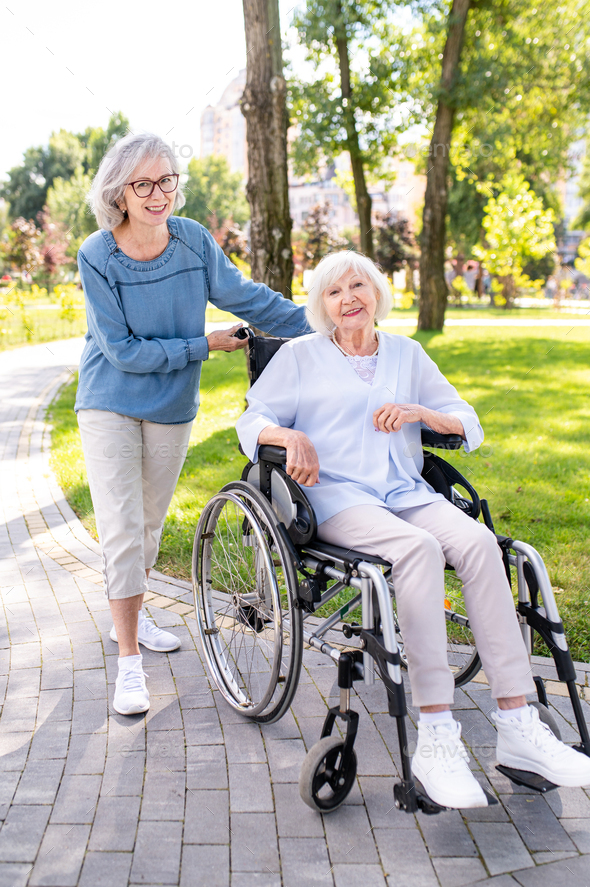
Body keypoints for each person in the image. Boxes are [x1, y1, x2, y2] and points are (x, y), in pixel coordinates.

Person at [236, 250, 590, 808]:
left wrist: (420, 413)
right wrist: (289, 437)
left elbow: (467, 422)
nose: (349, 297)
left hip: (404, 490)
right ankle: (436, 733)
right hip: (335, 495)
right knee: (419, 551)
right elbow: (250, 421)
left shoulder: (407, 353)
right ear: (322, 305)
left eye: (358, 285)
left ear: (377, 292)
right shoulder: (300, 356)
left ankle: (519, 723)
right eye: (334, 291)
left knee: (479, 545)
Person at [76, 132, 311, 716]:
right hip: (109, 400)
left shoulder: (193, 243)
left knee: (149, 526)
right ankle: (129, 662)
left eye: (167, 180)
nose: (158, 194)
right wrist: (200, 346)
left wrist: (327, 321)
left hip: (171, 406)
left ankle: (133, 610)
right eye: (143, 183)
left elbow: (247, 298)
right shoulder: (97, 255)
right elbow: (123, 351)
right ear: (120, 193)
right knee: (124, 528)